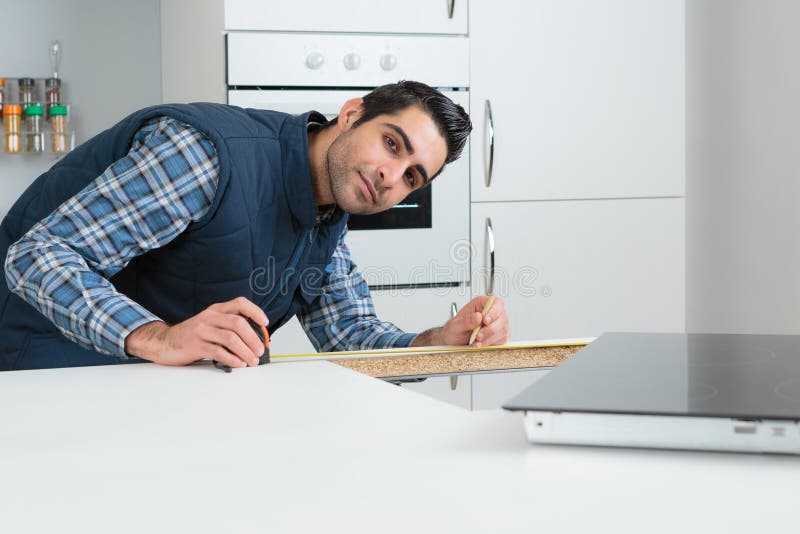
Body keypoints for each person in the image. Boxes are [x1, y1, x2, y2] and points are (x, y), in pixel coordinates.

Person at [0, 81, 509, 371]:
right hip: (39, 367)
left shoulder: (326, 217)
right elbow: (36, 256)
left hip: (148, 389)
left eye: (412, 177)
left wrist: (438, 342)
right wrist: (158, 337)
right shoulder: (206, 155)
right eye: (392, 144)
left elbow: (349, 336)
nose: (391, 176)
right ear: (352, 114)